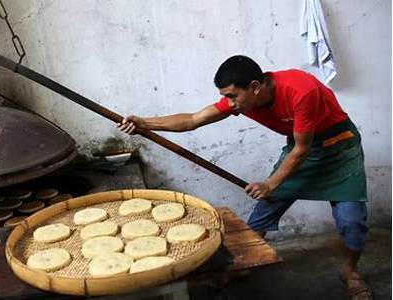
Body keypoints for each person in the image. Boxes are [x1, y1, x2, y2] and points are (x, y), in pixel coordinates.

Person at [117, 55, 372, 300]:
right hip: (301, 150)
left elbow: (301, 150)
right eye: (225, 97)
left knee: (351, 221)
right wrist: (145, 123)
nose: (229, 103)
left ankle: (350, 271)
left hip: (339, 150)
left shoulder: (301, 90)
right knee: (261, 215)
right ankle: (242, 265)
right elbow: (193, 120)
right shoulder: (242, 100)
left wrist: (271, 183)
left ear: (255, 87)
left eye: (232, 96)